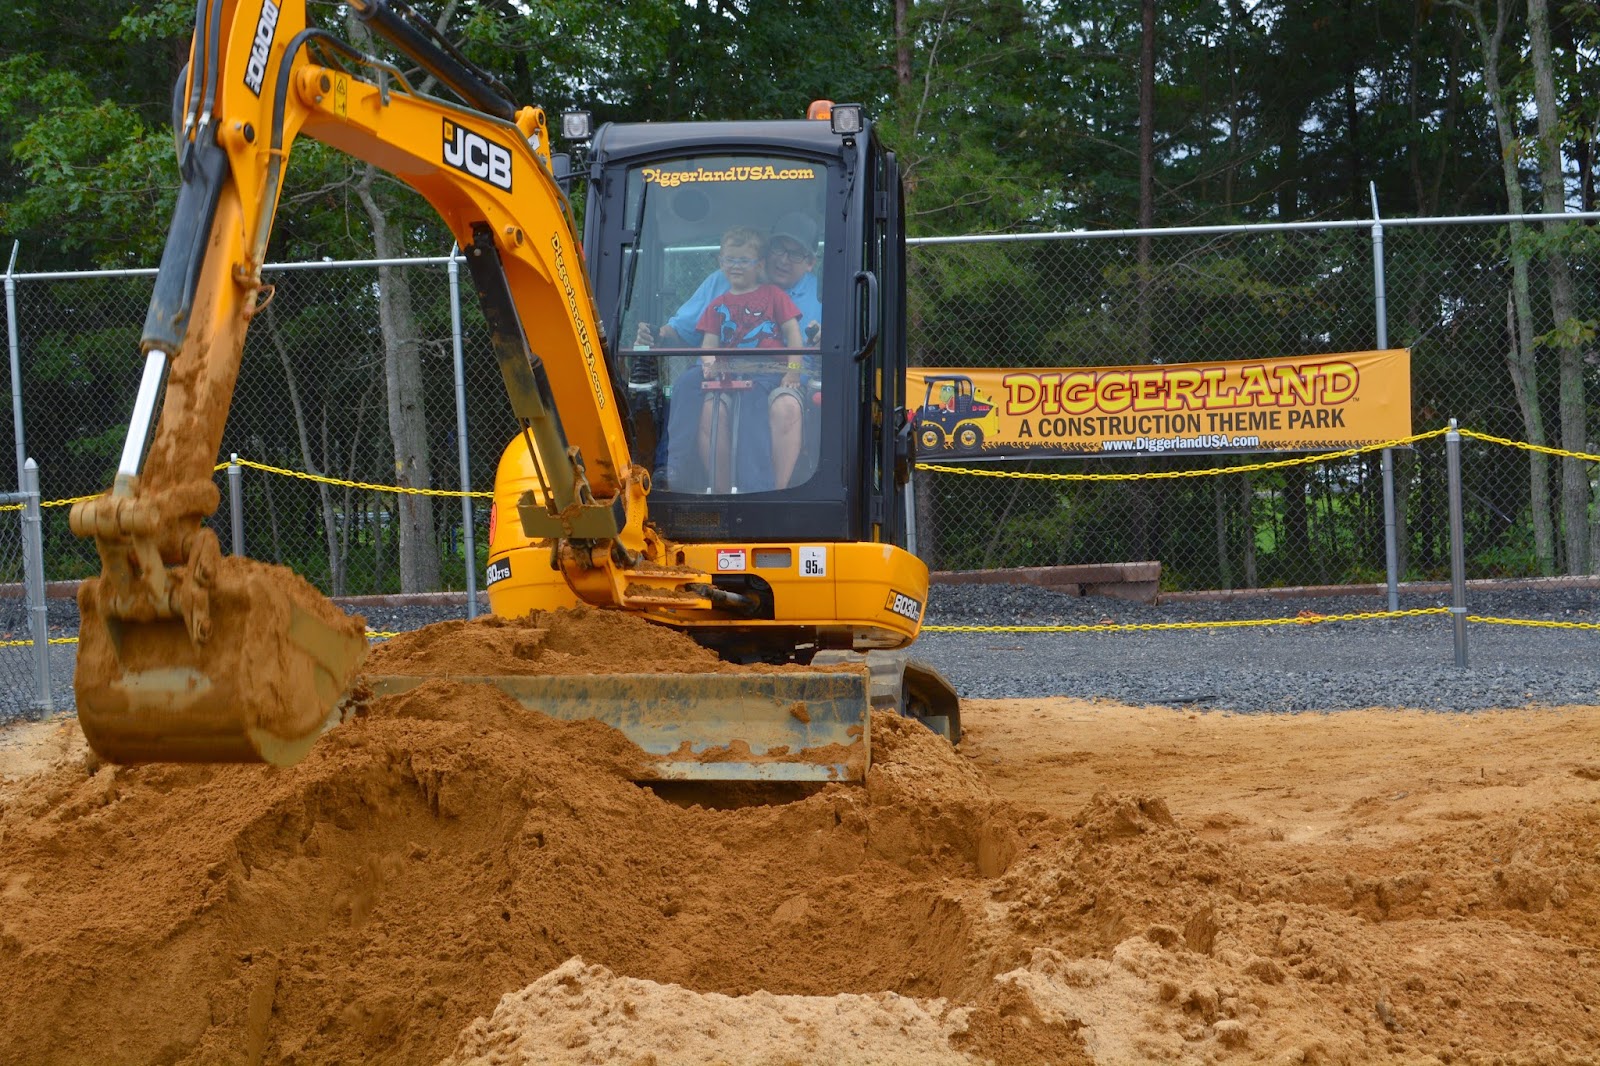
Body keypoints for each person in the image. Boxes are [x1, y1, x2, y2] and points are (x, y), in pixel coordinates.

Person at [641, 213, 821, 490]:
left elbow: (814, 340)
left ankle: (767, 493)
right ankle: (684, 475)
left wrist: (800, 363)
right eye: (778, 249)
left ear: (810, 263)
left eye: (795, 254)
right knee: (697, 395)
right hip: (724, 370)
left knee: (778, 405)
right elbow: (687, 333)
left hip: (776, 374)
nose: (784, 260)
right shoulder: (720, 286)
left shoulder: (819, 295)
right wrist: (657, 334)